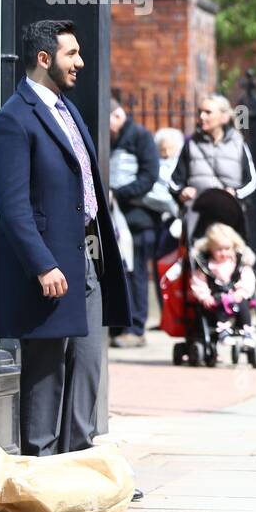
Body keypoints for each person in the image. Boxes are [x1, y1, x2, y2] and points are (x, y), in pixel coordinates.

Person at [0, 19, 130, 457]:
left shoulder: (67, 110)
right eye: (72, 54)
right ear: (44, 58)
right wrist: (42, 264)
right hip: (48, 263)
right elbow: (11, 206)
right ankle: (41, 465)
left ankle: (81, 462)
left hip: (87, 255)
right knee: (46, 367)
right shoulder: (12, 120)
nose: (81, 63)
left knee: (87, 362)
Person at [108, 95, 162, 348]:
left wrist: (118, 192)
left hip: (138, 220)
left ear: (118, 115)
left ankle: (136, 329)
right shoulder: (112, 138)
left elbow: (149, 176)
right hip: (116, 219)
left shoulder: (141, 136)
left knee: (137, 273)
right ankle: (119, 327)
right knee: (120, 273)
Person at [170, 94, 256, 212]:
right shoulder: (190, 144)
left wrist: (235, 193)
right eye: (200, 112)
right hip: (197, 214)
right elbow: (174, 181)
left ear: (224, 117)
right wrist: (182, 192)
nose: (201, 116)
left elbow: (252, 181)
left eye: (208, 112)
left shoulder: (238, 144)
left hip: (229, 214)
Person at [189, 222, 256, 344]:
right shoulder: (206, 266)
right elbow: (198, 282)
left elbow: (247, 278)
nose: (224, 253)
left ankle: (247, 331)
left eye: (227, 249)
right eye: (219, 250)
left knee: (243, 304)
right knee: (220, 303)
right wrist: (204, 296)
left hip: (236, 295)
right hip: (216, 297)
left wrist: (242, 291)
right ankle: (223, 330)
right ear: (211, 249)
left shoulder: (239, 263)